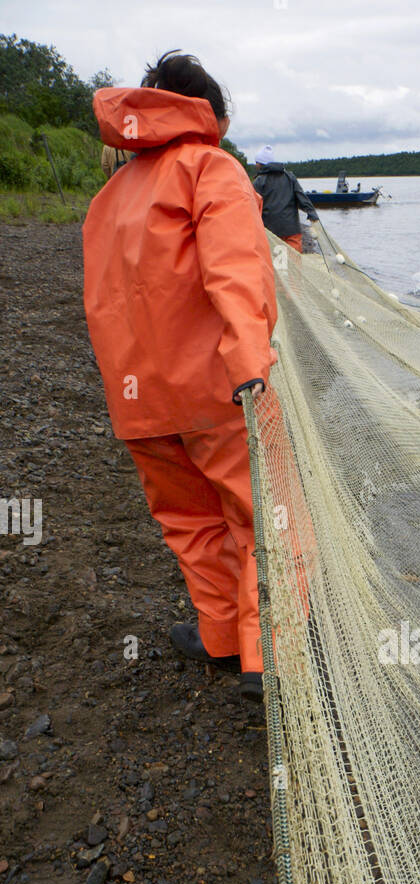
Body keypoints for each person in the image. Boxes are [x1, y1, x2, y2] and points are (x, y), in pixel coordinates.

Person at [82, 50, 278, 702]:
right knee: (260, 518)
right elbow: (236, 272)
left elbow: (108, 299)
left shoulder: (110, 196)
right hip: (214, 388)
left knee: (191, 522)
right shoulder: (211, 167)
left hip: (138, 400)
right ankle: (264, 657)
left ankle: (221, 639)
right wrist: (251, 364)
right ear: (209, 112)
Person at [253, 145, 320, 252]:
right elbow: (301, 197)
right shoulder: (290, 177)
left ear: (261, 164)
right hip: (291, 230)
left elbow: (253, 206)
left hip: (270, 232)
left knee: (274, 263)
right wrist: (312, 213)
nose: (255, 165)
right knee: (294, 263)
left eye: (256, 162)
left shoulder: (259, 181)